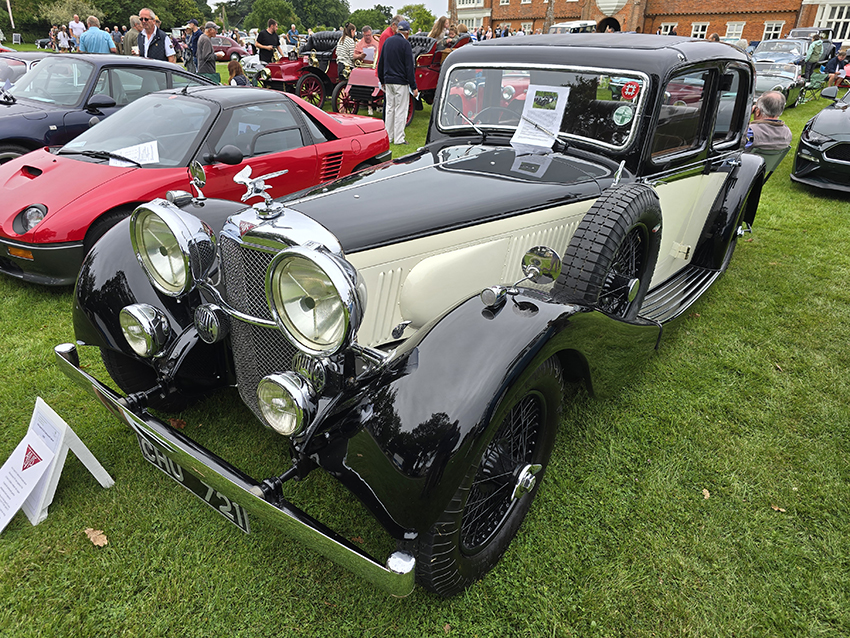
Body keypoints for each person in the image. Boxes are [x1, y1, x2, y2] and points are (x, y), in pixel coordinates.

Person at [378, 20, 418, 145]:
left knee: (390, 108)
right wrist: (414, 86)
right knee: (401, 110)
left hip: (388, 80)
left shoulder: (388, 41)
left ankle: (388, 136)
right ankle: (399, 138)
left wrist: (382, 79)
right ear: (407, 32)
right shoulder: (405, 44)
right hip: (400, 82)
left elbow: (381, 61)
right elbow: (409, 67)